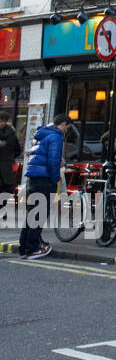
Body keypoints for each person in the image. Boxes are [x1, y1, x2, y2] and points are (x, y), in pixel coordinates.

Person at [18, 114, 71, 260]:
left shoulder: (41, 135)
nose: (67, 130)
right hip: (45, 179)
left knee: (32, 214)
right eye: (68, 127)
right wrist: (55, 180)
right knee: (39, 214)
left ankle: (24, 248)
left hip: (34, 178)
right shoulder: (56, 137)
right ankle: (33, 249)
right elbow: (53, 161)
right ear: (64, 124)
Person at [0, 111, 18, 196]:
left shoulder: (11, 132)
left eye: (5, 121)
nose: (3, 123)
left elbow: (17, 149)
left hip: (6, 168)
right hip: (5, 168)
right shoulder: (12, 132)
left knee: (6, 193)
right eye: (1, 121)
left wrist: (9, 157)